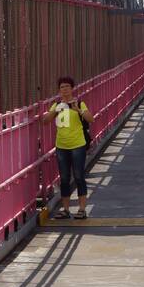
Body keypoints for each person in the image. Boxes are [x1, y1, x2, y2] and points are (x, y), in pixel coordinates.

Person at [43, 76, 92, 219]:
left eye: (67, 87)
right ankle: (65, 209)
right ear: (59, 90)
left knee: (78, 176)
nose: (64, 89)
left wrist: (78, 110)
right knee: (64, 178)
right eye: (61, 87)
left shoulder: (79, 103)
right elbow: (45, 121)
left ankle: (82, 209)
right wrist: (56, 110)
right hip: (61, 146)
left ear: (72, 88)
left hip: (78, 144)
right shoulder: (56, 105)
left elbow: (91, 118)